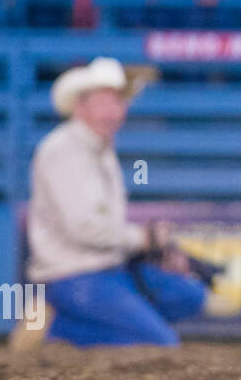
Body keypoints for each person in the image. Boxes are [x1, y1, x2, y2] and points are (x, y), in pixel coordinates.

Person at [23, 58, 206, 347]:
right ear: (80, 107)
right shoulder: (64, 151)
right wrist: (143, 238)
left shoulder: (98, 150)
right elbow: (85, 229)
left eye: (117, 102)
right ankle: (56, 328)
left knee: (190, 295)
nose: (113, 112)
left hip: (106, 271)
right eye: (103, 103)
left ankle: (85, 324)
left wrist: (145, 245)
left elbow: (98, 226)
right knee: (160, 343)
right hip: (74, 276)